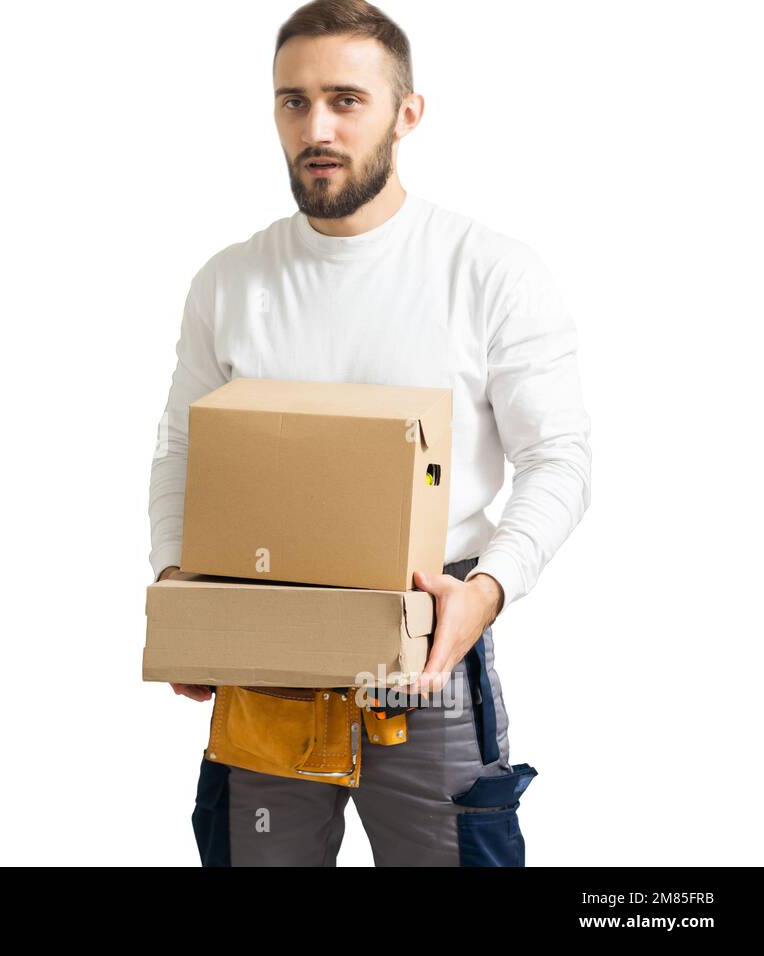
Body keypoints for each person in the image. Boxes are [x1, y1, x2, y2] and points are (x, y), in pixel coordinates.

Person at [146, 0, 591, 866]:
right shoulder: (230, 281)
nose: (317, 126)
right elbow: (182, 450)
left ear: (407, 112)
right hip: (263, 644)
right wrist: (177, 590)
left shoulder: (490, 272)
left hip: (426, 643)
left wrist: (488, 591)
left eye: (347, 99)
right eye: (293, 100)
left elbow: (559, 459)